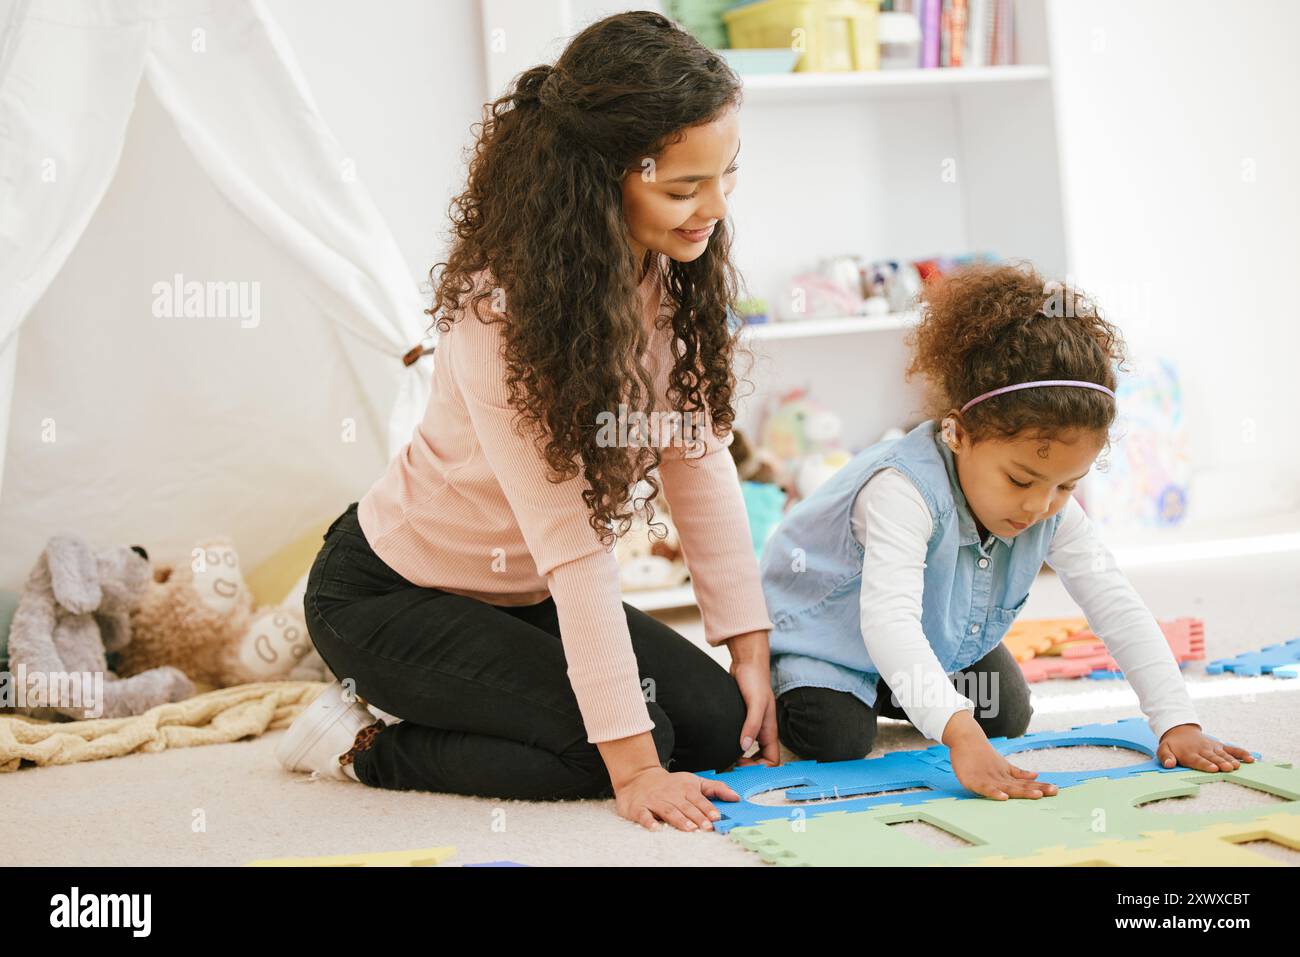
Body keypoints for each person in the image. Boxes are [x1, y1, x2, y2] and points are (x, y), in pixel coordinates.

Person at [276, 11, 778, 833]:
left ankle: (490, 704)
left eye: (725, 176)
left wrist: (748, 648)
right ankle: (361, 741)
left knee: (719, 727)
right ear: (599, 178)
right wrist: (638, 770)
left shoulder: (668, 271)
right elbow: (573, 545)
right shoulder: (499, 314)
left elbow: (698, 457)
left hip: (521, 591)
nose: (714, 208)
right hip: (390, 594)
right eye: (685, 188)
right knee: (599, 754)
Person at [759, 261, 1254, 800]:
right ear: (958, 432)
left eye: (1066, 485)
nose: (1040, 504)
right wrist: (957, 734)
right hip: (831, 641)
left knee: (1005, 710)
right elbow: (888, 624)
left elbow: (1116, 603)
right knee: (837, 737)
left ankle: (903, 692)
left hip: (932, 636)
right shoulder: (901, 491)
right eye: (1021, 478)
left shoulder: (1050, 505)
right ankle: (801, 681)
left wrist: (1176, 720)